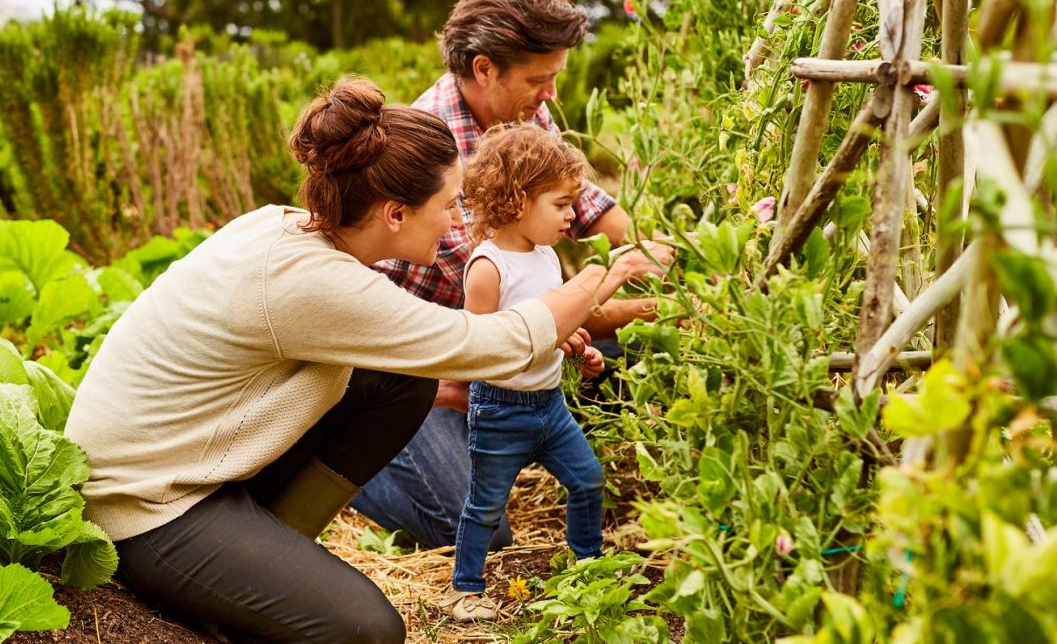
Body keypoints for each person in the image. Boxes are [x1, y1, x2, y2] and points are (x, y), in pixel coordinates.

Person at [65, 78, 674, 644]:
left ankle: (270, 541)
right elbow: (489, 344)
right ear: (395, 213)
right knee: (369, 630)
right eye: (450, 204)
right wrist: (603, 276)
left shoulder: (293, 231)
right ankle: (225, 590)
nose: (460, 220)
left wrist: (558, 320)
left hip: (200, 460)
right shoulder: (313, 283)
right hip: (146, 505)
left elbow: (460, 347)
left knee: (397, 382)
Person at [352, 0, 657, 550]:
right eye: (541, 79)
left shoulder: (517, 114)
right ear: (484, 68)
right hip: (417, 376)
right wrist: (644, 306)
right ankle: (345, 461)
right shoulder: (432, 157)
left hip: (495, 352)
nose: (552, 97)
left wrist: (664, 254)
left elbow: (596, 209)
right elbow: (527, 315)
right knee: (481, 531)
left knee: (628, 353)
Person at [438, 123, 621, 621]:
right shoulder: (489, 267)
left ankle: (588, 564)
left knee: (587, 481)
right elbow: (482, 348)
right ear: (518, 201)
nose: (572, 215)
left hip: (550, 406)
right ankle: (465, 589)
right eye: (561, 204)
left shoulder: (546, 256)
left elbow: (547, 324)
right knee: (486, 505)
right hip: (501, 409)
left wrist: (574, 343)